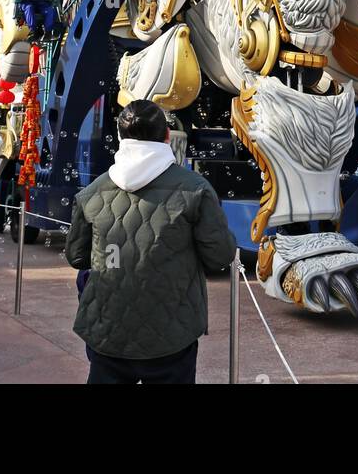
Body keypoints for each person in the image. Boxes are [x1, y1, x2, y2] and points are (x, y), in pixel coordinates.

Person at [66, 100, 236, 384]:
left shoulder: (92, 192)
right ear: (167, 136)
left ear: (120, 137)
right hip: (172, 330)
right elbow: (220, 256)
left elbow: (77, 256)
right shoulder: (195, 189)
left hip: (107, 327)